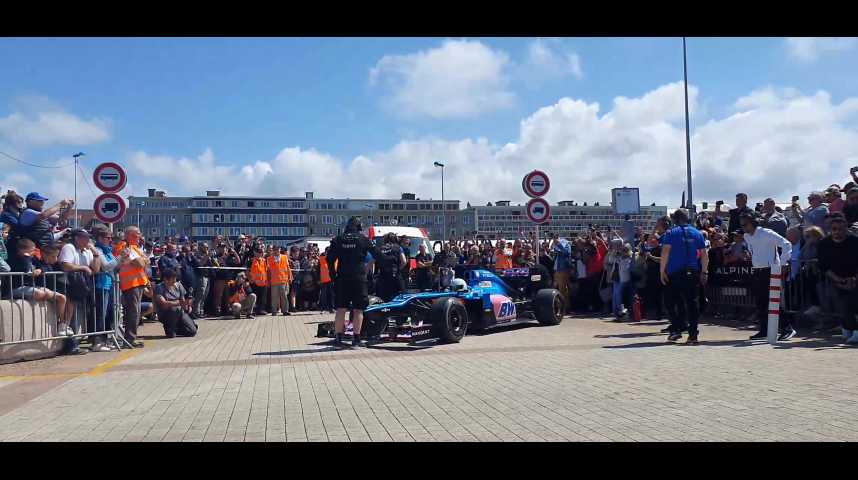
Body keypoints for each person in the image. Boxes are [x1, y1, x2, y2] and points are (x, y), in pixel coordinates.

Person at [740, 213, 795, 341]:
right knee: (761, 302)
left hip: (771, 270)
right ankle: (764, 330)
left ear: (753, 222)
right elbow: (754, 251)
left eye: (745, 224)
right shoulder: (747, 236)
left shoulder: (767, 233)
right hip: (757, 270)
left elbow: (786, 244)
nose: (743, 227)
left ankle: (788, 329)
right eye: (741, 224)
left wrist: (782, 263)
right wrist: (749, 256)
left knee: (773, 301)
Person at [327, 216, 379, 348]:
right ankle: (356, 339)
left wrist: (333, 276)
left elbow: (329, 259)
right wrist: (388, 260)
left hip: (342, 278)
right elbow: (376, 254)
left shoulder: (338, 240)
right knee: (358, 309)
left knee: (341, 308)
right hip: (359, 278)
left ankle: (338, 339)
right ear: (359, 227)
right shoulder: (363, 239)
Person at [660, 208, 708, 344]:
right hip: (692, 272)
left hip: (674, 272)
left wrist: (662, 271)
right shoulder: (697, 233)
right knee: (692, 303)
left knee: (670, 302)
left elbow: (665, 253)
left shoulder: (671, 233)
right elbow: (704, 254)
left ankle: (676, 328)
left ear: (675, 219)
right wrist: (704, 271)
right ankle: (693, 335)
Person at [6, 238, 72, 337]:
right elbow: (26, 269)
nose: (35, 252)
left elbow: (47, 267)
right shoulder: (14, 259)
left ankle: (62, 325)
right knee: (41, 293)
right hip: (16, 288)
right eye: (32, 250)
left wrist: (40, 270)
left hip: (32, 287)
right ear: (22, 250)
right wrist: (26, 258)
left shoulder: (34, 259)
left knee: (62, 298)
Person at [59, 229, 103, 354]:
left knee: (79, 319)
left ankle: (75, 344)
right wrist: (82, 267)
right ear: (77, 238)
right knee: (71, 319)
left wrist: (95, 253)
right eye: (85, 237)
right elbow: (65, 265)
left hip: (82, 288)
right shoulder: (69, 247)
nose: (88, 240)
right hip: (69, 286)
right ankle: (70, 346)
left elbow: (95, 269)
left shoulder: (86, 251)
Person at [816, 213, 858, 344]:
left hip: (854, 278)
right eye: (834, 229)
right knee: (843, 307)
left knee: (854, 304)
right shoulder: (824, 244)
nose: (837, 232)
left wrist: (854, 279)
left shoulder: (854, 241)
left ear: (846, 229)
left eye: (841, 229)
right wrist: (838, 280)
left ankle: (856, 332)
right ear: (830, 229)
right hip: (835, 279)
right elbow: (823, 266)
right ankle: (847, 329)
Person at [114, 226, 149, 348]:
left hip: (138, 283)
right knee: (132, 312)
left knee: (135, 311)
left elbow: (146, 262)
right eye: (136, 234)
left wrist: (142, 261)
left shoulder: (135, 248)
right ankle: (129, 339)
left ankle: (131, 338)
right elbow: (140, 263)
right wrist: (142, 261)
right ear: (128, 235)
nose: (139, 236)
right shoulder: (124, 247)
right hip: (130, 284)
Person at [92, 227, 124, 352]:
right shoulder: (98, 250)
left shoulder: (108, 251)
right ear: (100, 238)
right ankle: (98, 341)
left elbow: (114, 268)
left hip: (110, 285)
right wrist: (119, 258)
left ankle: (105, 340)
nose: (110, 240)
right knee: (101, 314)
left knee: (109, 314)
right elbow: (105, 267)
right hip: (101, 285)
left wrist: (121, 261)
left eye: (111, 238)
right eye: (108, 238)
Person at [154, 268, 198, 338]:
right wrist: (180, 303)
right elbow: (164, 304)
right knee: (174, 309)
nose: (175, 281)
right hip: (166, 314)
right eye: (173, 279)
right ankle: (169, 329)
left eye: (175, 278)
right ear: (165, 279)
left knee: (192, 331)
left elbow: (183, 301)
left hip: (180, 312)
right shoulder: (159, 288)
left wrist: (188, 306)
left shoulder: (178, 285)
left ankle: (177, 328)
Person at [604, 239, 632, 320]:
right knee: (615, 295)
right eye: (622, 249)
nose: (622, 251)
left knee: (618, 295)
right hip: (616, 277)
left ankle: (620, 313)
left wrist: (620, 258)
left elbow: (624, 268)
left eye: (624, 250)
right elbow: (610, 260)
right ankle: (616, 313)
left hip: (622, 279)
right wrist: (613, 252)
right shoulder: (618, 256)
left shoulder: (628, 258)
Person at [374, 232, 406, 302]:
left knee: (383, 300)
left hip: (383, 278)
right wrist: (398, 269)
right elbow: (404, 261)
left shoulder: (379, 249)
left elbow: (373, 262)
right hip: (395, 277)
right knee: (399, 299)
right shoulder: (398, 248)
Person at [267, 244, 292, 316]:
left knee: (284, 296)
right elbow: (268, 271)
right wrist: (268, 281)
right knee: (274, 297)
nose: (276, 251)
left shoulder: (284, 257)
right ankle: (274, 311)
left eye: (277, 250)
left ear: (279, 250)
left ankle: (285, 311)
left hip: (283, 280)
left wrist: (290, 277)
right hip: (274, 281)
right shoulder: (269, 259)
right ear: (273, 251)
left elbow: (288, 268)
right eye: (274, 250)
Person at [551, 234, 573, 313]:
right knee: (560, 289)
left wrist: (559, 244)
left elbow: (567, 253)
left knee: (562, 289)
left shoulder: (566, 244)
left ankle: (563, 308)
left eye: (557, 237)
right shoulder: (556, 246)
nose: (556, 239)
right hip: (557, 269)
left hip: (563, 269)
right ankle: (565, 306)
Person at [192, 243, 213, 317]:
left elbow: (211, 264)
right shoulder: (197, 254)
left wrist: (209, 257)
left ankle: (201, 311)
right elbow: (200, 264)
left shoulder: (206, 255)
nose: (207, 248)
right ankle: (196, 312)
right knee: (200, 295)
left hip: (207, 276)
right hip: (200, 276)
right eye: (205, 247)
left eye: (207, 247)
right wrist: (207, 256)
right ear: (201, 247)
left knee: (205, 295)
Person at [247, 246, 269, 315]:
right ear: (255, 252)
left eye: (261, 252)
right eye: (259, 252)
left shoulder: (264, 260)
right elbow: (247, 271)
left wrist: (267, 281)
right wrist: (250, 279)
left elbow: (266, 271)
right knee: (255, 297)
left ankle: (261, 310)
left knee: (263, 298)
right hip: (254, 283)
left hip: (263, 282)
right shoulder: (251, 260)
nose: (261, 253)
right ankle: (254, 310)